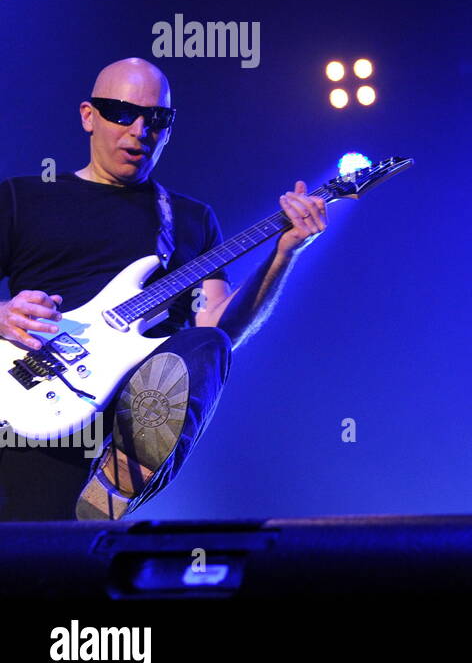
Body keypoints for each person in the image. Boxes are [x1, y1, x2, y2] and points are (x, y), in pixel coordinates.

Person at [0, 57, 328, 520]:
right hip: (26, 397)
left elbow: (217, 331)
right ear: (87, 115)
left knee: (208, 343)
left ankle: (117, 483)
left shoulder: (190, 220)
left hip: (129, 425)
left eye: (157, 119)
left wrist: (285, 253)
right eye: (120, 112)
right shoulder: (21, 197)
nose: (139, 129)